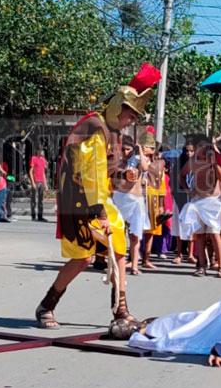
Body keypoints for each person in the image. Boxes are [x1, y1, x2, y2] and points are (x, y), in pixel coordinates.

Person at [35, 63, 160, 334]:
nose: (131, 120)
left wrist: (125, 174)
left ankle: (121, 312)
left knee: (118, 250)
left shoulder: (112, 131)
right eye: (130, 114)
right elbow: (89, 175)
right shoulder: (94, 126)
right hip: (81, 201)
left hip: (100, 199)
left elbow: (108, 172)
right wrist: (99, 213)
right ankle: (46, 305)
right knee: (83, 259)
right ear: (119, 108)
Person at [179, 137, 221, 278]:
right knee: (199, 235)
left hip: (213, 201)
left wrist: (214, 164)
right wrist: (188, 189)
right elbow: (182, 176)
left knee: (214, 234)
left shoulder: (214, 160)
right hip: (198, 200)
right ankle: (201, 265)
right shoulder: (193, 161)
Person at [113, 135, 148, 276]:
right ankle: (116, 263)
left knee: (135, 236)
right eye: (122, 149)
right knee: (118, 233)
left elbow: (145, 168)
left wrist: (140, 151)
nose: (125, 152)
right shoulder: (118, 162)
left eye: (127, 149)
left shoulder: (138, 161)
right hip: (120, 199)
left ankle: (134, 266)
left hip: (135, 201)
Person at [141, 128, 167, 270]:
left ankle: (146, 258)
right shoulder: (139, 159)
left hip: (153, 198)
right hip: (140, 196)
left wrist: (162, 205)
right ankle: (133, 258)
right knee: (136, 229)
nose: (148, 149)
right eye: (146, 146)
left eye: (150, 147)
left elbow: (161, 184)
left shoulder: (159, 163)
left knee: (151, 230)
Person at [170, 138, 196, 265]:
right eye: (187, 151)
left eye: (192, 151)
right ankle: (178, 253)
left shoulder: (197, 164)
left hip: (193, 200)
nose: (189, 154)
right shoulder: (178, 164)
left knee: (192, 225)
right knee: (179, 225)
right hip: (180, 198)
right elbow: (174, 181)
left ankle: (190, 254)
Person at [29, 147, 49, 222]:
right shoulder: (34, 158)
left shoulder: (43, 160)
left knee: (41, 200)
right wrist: (33, 182)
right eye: (40, 150)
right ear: (37, 151)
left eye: (42, 150)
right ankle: (33, 216)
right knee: (34, 200)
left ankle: (40, 216)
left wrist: (45, 184)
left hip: (41, 182)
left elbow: (43, 173)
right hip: (36, 181)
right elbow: (31, 171)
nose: (42, 152)